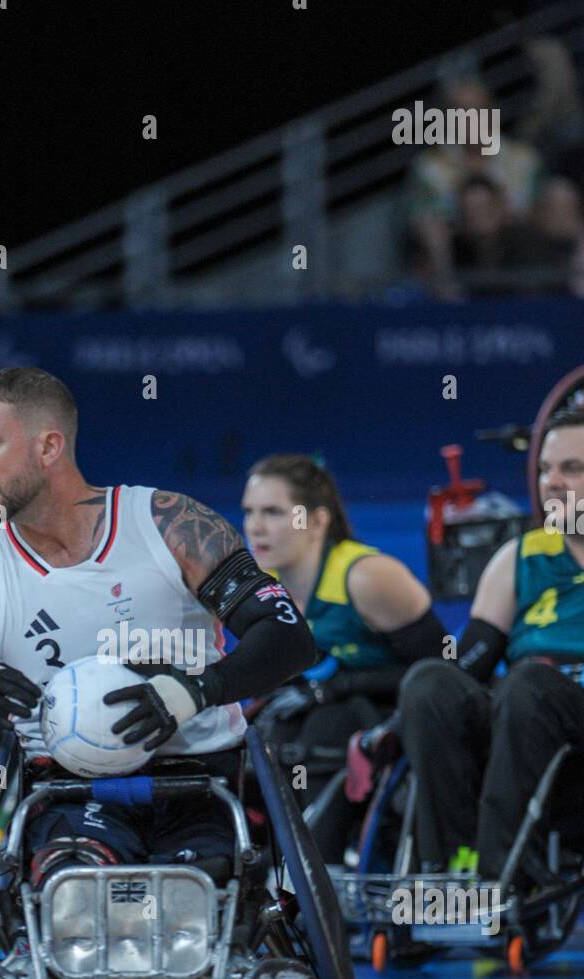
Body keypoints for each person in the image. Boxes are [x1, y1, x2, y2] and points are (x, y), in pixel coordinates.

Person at [0, 367, 318, 889]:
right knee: (78, 891)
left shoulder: (170, 523)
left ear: (49, 447)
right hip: (67, 797)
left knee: (197, 895)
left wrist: (198, 690)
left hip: (203, 786)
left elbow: (289, 638)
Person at [399, 406, 584, 883]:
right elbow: (470, 663)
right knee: (430, 683)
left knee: (529, 684)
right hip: (521, 724)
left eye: (572, 468)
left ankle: (499, 876)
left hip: (565, 724)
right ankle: (447, 868)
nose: (551, 483)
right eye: (545, 469)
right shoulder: (519, 555)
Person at [241, 454, 446, 859]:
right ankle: (262, 872)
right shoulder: (265, 589)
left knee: (325, 727)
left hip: (392, 714)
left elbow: (443, 673)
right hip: (324, 707)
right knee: (256, 739)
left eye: (273, 512)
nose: (255, 527)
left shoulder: (367, 577)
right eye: (249, 512)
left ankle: (324, 871)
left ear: (317, 521)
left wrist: (335, 688)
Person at [406, 76, 543, 299]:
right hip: (456, 254)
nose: (469, 118)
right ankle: (450, 298)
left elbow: (539, 215)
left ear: (492, 112)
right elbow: (420, 219)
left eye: (477, 109)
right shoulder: (429, 166)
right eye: (460, 111)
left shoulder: (524, 159)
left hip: (516, 251)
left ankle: (533, 297)